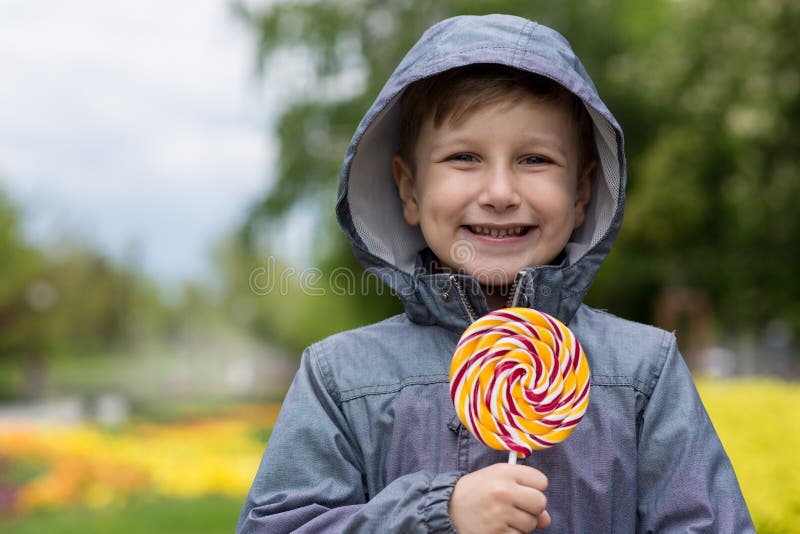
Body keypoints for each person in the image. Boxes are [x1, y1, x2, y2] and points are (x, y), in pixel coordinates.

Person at [237, 14, 753, 533]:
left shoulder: (642, 374)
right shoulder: (340, 379)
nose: (501, 193)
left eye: (534, 159)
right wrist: (436, 514)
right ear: (410, 190)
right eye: (464, 157)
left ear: (581, 192)